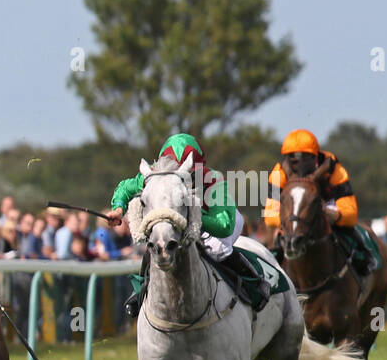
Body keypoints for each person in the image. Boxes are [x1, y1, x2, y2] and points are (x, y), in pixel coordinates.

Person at [107, 132, 267, 317]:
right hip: (180, 223)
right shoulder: (156, 175)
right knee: (158, 242)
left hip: (220, 221)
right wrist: (118, 209)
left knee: (217, 249)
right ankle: (141, 290)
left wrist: (191, 219)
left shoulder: (212, 179)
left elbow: (224, 224)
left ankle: (253, 284)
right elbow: (125, 188)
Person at [263, 129, 372, 276]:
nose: (299, 163)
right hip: (294, 219)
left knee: (349, 231)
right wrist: (292, 220)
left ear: (315, 157)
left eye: (305, 157)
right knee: (277, 240)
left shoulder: (334, 170)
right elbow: (270, 216)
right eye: (293, 158)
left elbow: (350, 214)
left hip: (329, 210)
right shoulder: (279, 173)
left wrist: (336, 215)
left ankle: (365, 257)